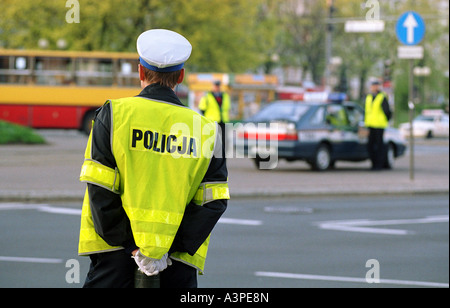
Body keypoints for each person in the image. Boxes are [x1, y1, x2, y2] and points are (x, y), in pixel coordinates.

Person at [78, 29, 229, 288]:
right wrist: (166, 251)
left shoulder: (113, 115)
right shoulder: (208, 131)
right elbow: (213, 202)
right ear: (180, 76)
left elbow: (100, 189)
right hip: (176, 265)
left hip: (114, 259)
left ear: (140, 72)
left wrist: (134, 249)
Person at [364, 80, 392, 171]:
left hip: (379, 125)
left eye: (375, 86)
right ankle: (373, 164)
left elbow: (387, 111)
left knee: (379, 146)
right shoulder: (368, 97)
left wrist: (385, 120)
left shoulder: (382, 97)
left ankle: (379, 165)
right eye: (372, 86)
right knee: (370, 146)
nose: (374, 88)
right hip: (370, 125)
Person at [198, 80, 231, 149]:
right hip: (212, 122)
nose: (217, 87)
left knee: (224, 142)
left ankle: (222, 157)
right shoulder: (207, 97)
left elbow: (227, 108)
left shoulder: (225, 96)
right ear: (213, 86)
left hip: (223, 121)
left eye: (218, 86)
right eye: (215, 86)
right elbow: (202, 109)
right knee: (212, 141)